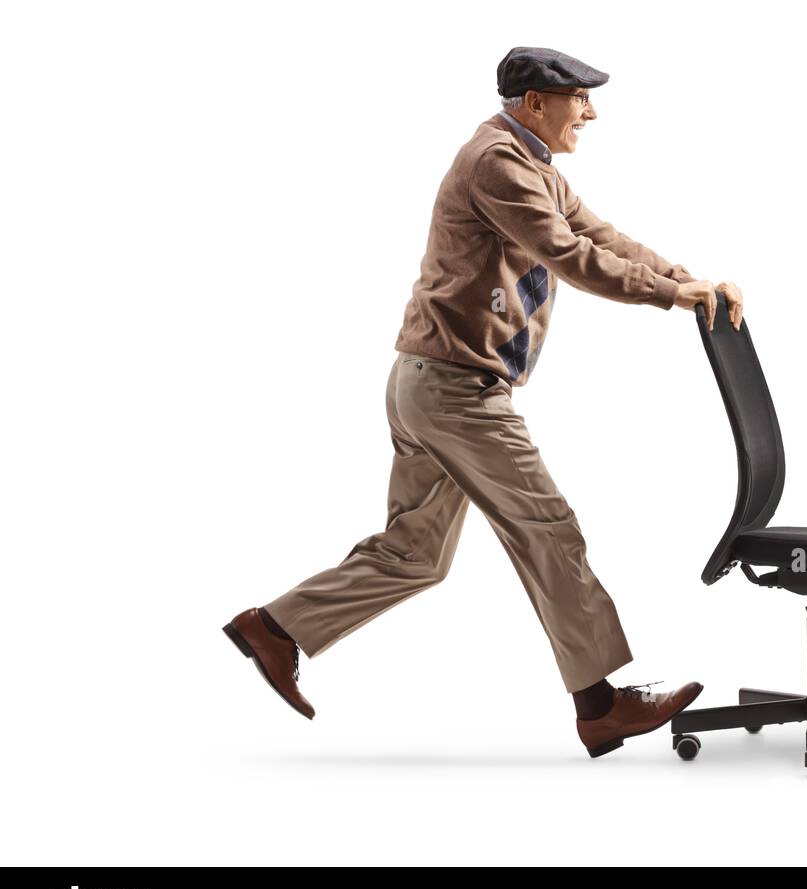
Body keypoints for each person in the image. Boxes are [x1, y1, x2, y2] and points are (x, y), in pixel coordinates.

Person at [221, 46, 744, 759]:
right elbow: (568, 254)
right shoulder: (497, 163)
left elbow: (599, 234)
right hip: (456, 391)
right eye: (579, 99)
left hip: (426, 381)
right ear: (535, 103)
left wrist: (691, 281)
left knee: (414, 553)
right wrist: (669, 296)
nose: (591, 112)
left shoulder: (529, 165)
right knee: (548, 527)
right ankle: (599, 706)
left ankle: (275, 630)